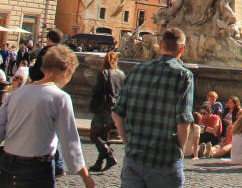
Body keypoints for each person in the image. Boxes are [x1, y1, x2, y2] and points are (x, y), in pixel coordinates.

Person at [0, 44, 95, 188]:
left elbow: (0, 127)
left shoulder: (16, 94)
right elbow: (70, 141)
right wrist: (86, 177)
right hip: (36, 169)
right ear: (67, 72)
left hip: (7, 163)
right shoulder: (60, 98)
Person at [112, 27, 194, 188]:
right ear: (182, 48)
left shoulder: (137, 70)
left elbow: (118, 113)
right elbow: (183, 121)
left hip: (134, 157)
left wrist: (128, 143)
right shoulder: (183, 75)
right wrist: (180, 150)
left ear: (160, 44)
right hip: (165, 158)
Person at [88, 51, 126, 172]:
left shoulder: (103, 73)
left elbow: (98, 91)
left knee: (94, 135)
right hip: (116, 108)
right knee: (104, 136)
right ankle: (99, 163)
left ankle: (109, 156)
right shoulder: (121, 74)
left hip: (104, 108)